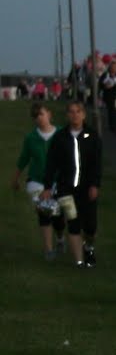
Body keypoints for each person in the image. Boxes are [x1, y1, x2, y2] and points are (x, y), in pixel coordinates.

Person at [39, 100, 103, 268]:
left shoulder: (92, 135)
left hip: (87, 186)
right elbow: (51, 163)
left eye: (78, 111)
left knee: (90, 226)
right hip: (66, 187)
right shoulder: (60, 137)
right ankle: (79, 261)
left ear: (83, 114)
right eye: (71, 112)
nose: (74, 115)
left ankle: (88, 247)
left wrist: (95, 184)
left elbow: (96, 163)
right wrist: (47, 186)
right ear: (67, 115)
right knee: (73, 222)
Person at [12, 101, 62, 259]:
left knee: (57, 214)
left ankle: (60, 237)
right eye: (35, 116)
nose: (39, 118)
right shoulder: (31, 138)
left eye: (41, 114)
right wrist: (16, 177)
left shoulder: (61, 134)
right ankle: (48, 249)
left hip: (57, 180)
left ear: (49, 114)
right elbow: (24, 158)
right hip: (37, 180)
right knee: (44, 211)